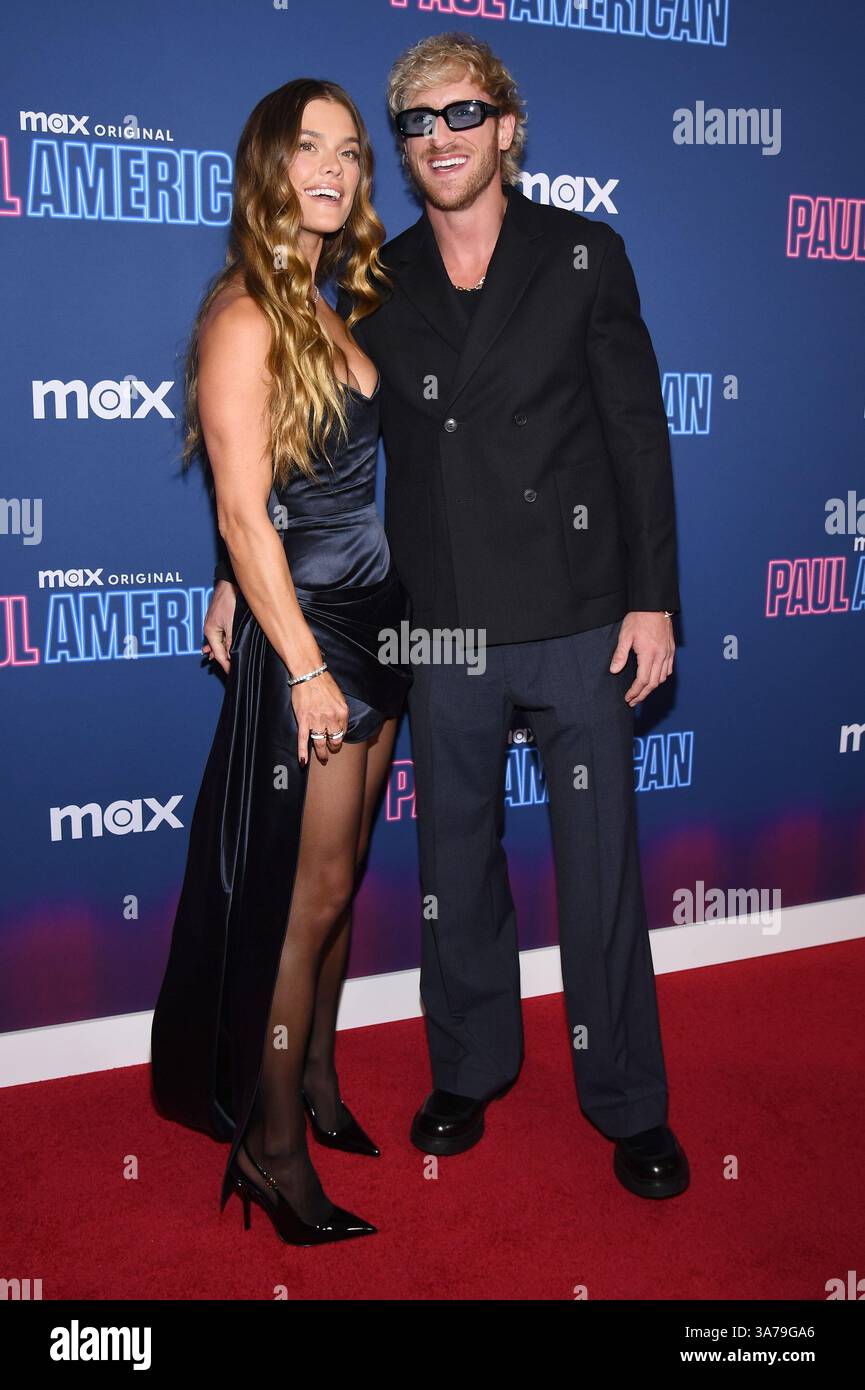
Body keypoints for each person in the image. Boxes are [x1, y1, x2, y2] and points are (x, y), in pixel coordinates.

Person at [208, 31, 689, 1200]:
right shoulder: (377, 281)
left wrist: (653, 598)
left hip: (579, 613)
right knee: (452, 864)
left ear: (508, 129)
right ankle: (468, 1069)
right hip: (440, 623)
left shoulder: (585, 254)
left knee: (600, 872)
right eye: (416, 124)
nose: (438, 139)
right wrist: (233, 561)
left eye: (462, 115)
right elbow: (296, 433)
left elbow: (636, 436)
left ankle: (625, 1097)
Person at [150, 78, 412, 1246]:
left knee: (342, 881)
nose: (335, 166)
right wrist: (301, 666)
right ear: (266, 163)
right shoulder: (246, 312)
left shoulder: (332, 303)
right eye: (309, 147)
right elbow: (249, 512)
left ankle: (311, 1080)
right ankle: (269, 1148)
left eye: (351, 152)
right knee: (299, 905)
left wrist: (229, 569)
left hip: (378, 619)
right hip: (314, 641)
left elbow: (286, 482)